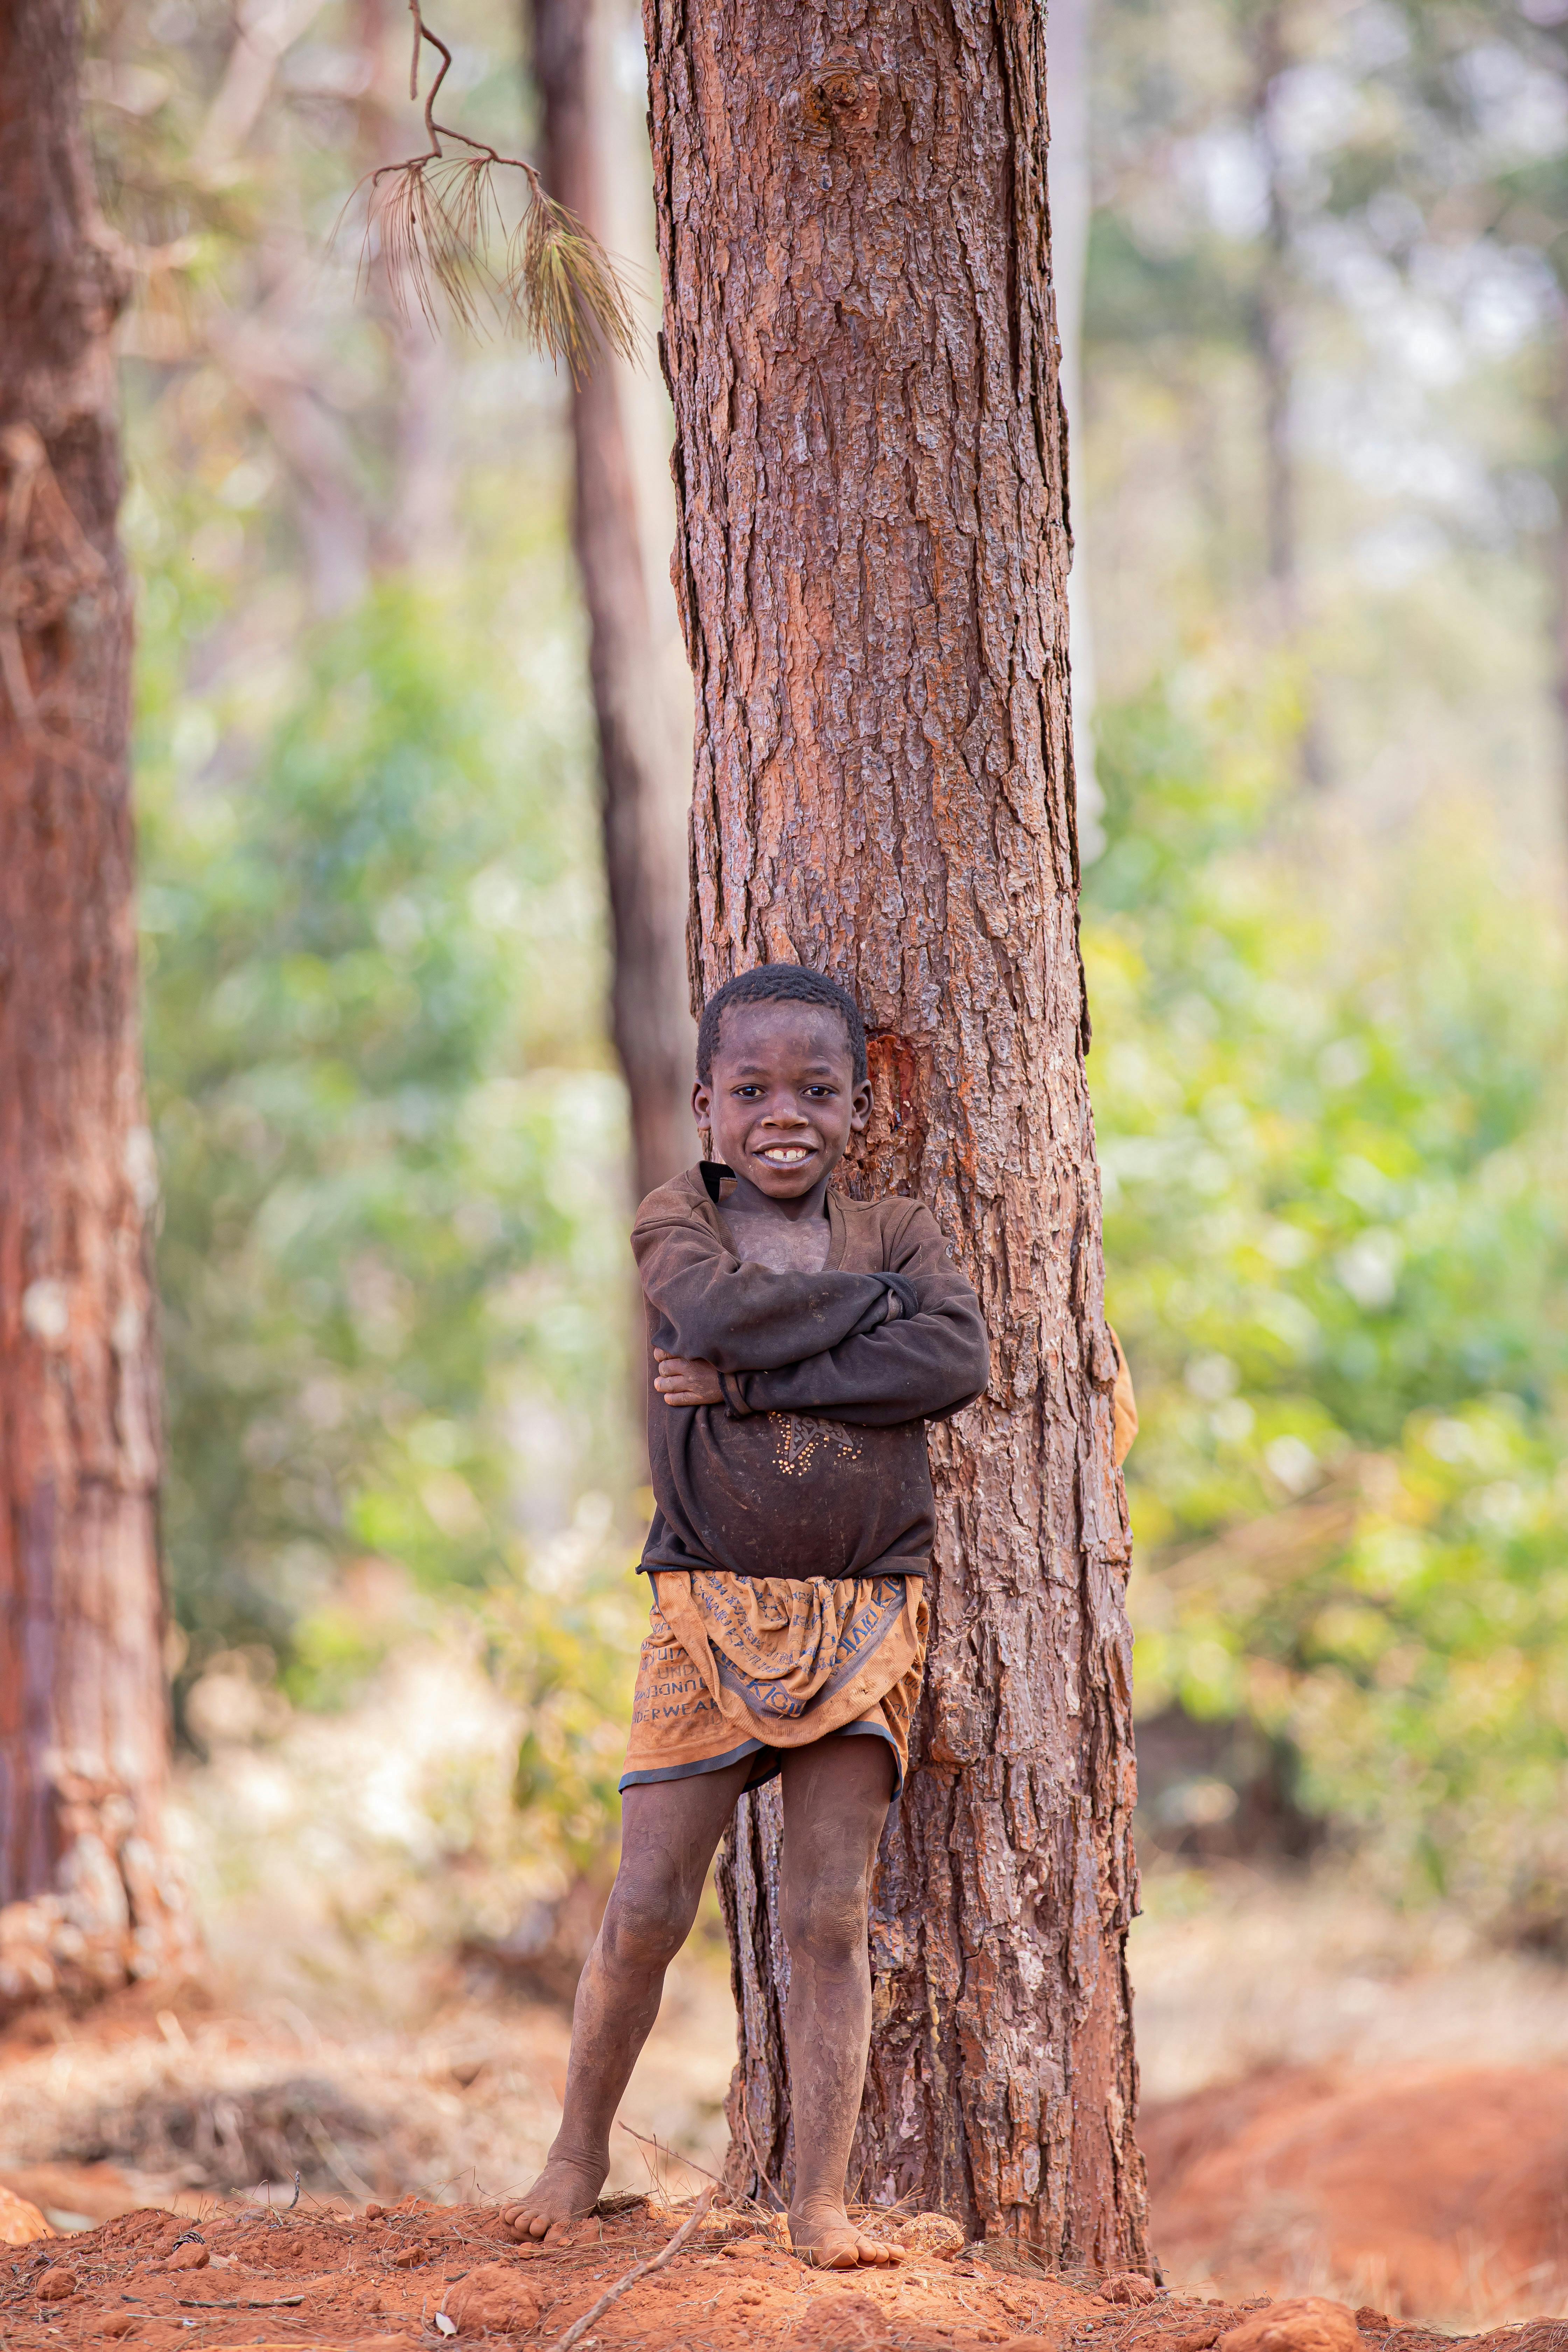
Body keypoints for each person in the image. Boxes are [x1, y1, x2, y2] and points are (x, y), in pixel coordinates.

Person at [502, 964, 990, 2268]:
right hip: (706, 1613)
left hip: (864, 1617)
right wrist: (856, 1338)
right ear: (710, 1102)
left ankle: (818, 2205)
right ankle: (575, 2153)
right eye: (757, 1089)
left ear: (855, 1110)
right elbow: (710, 1308)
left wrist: (746, 1381)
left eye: (818, 1091)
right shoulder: (680, 1222)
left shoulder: (899, 1233)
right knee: (649, 1903)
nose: (789, 1114)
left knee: (828, 1918)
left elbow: (953, 1360)